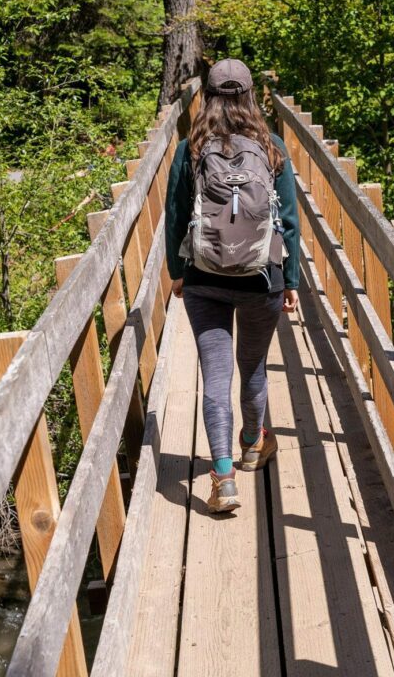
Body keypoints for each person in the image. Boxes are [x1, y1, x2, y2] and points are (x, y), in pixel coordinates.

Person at [165, 59, 300, 514]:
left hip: (204, 277)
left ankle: (222, 477)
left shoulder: (191, 148)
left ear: (206, 97)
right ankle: (250, 444)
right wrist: (292, 281)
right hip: (263, 277)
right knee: (254, 365)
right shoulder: (273, 147)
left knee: (216, 375)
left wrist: (178, 271)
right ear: (250, 96)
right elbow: (290, 224)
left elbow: (175, 214)